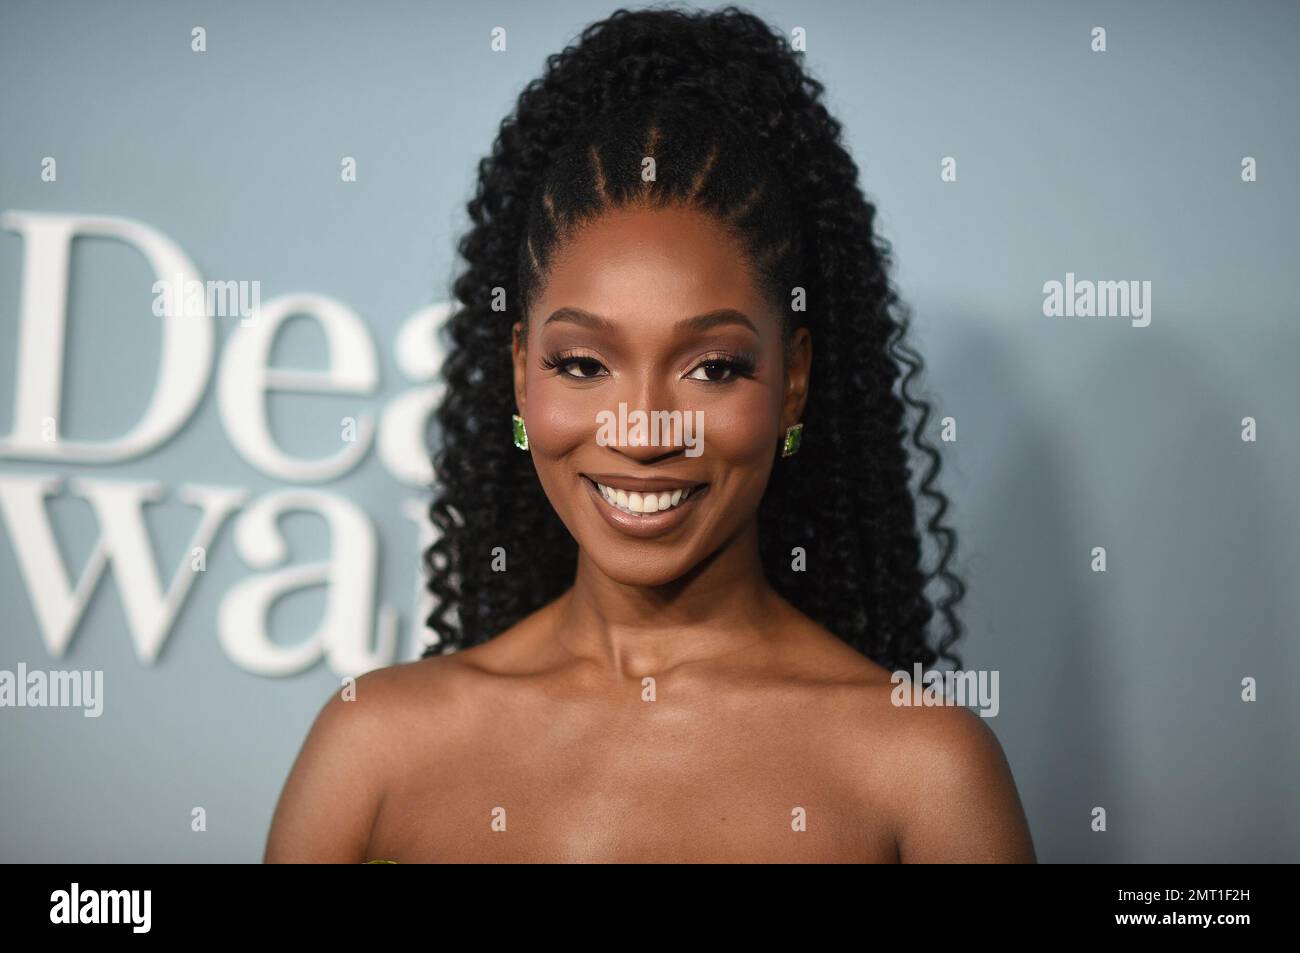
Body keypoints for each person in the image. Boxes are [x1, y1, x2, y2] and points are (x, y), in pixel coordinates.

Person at [265, 5, 1035, 863]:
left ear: (795, 383)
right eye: (583, 363)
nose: (641, 430)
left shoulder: (924, 772)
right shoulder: (372, 747)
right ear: (522, 368)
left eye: (713, 368)